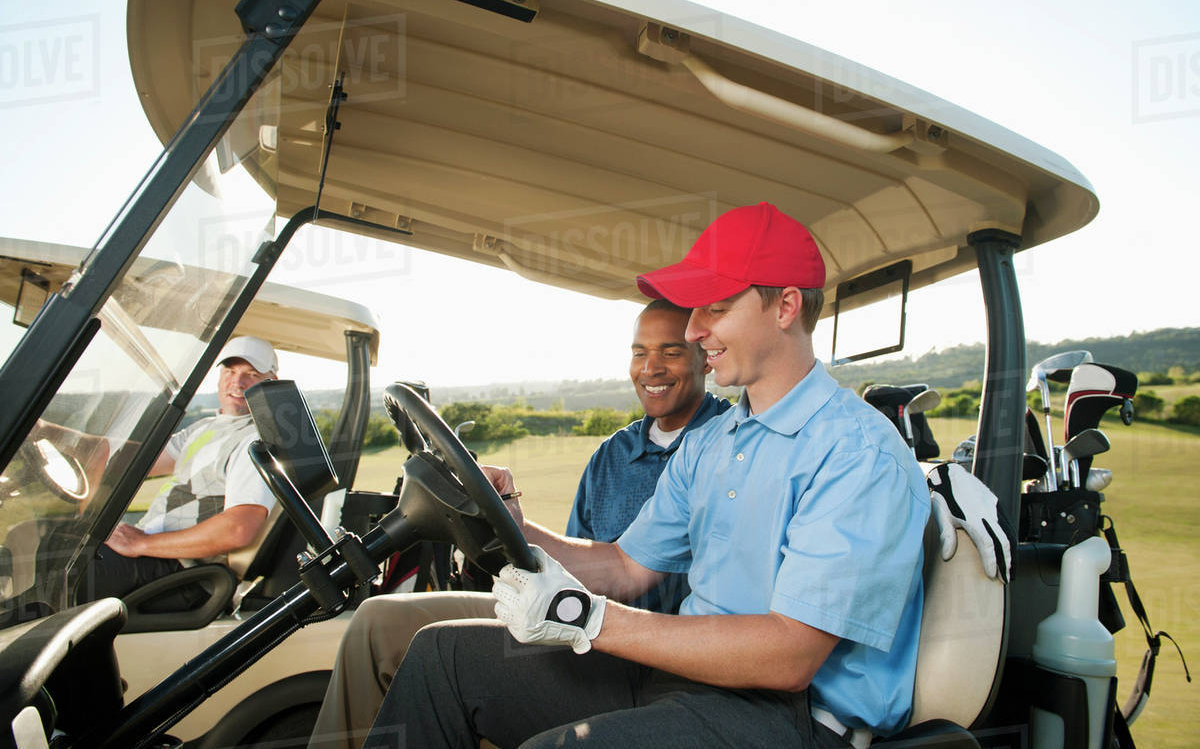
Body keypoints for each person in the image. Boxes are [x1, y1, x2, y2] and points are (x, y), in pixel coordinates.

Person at [363, 202, 937, 749]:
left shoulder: (859, 454)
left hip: (794, 719)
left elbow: (789, 657)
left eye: (714, 307)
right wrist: (511, 521)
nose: (693, 330)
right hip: (683, 680)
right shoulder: (713, 443)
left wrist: (585, 618)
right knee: (441, 658)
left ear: (785, 307)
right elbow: (625, 566)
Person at [307, 300, 731, 749]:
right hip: (573, 615)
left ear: (705, 356)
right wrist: (508, 521)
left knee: (441, 654)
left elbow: (631, 576)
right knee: (377, 620)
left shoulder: (725, 445)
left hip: (642, 647)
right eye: (639, 352)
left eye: (671, 352)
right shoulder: (612, 453)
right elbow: (589, 563)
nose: (651, 368)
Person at [75, 335, 280, 608]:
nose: (237, 383)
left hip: (182, 573)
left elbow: (238, 528)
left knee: (70, 572)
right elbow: (131, 460)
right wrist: (61, 437)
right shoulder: (206, 427)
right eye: (230, 371)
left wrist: (142, 544)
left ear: (272, 384)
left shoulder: (254, 441)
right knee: (57, 545)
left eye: (251, 374)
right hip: (155, 559)